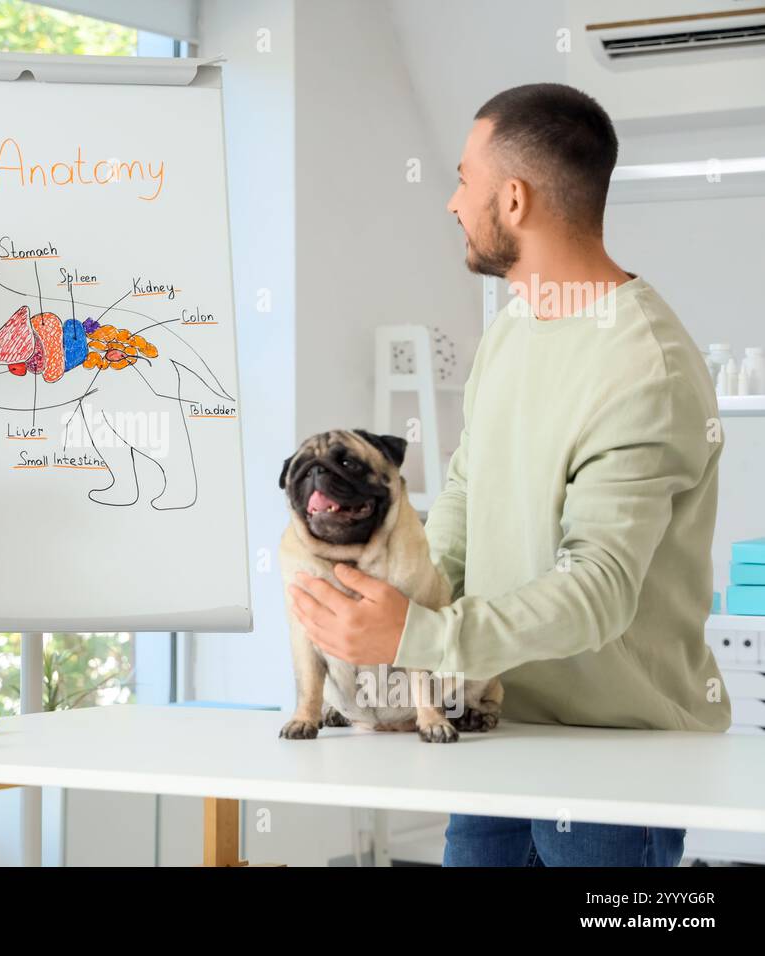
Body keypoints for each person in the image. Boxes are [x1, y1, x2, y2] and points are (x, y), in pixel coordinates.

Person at [285, 84, 728, 867]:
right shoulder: (516, 326)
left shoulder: (643, 369)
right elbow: (464, 493)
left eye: (464, 179)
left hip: (613, 767)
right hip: (494, 729)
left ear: (513, 199)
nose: (454, 202)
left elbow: (598, 589)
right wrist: (391, 597)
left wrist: (418, 635)